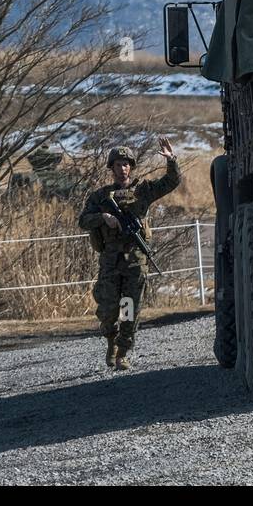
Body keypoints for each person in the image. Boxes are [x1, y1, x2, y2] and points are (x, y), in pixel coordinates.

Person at [78, 138, 181, 370]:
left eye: (126, 164)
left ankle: (122, 353)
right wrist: (104, 218)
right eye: (117, 164)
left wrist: (171, 160)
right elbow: (83, 221)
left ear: (131, 167)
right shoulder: (100, 197)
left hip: (135, 261)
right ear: (112, 168)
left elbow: (171, 182)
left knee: (129, 309)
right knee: (108, 309)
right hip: (110, 262)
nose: (122, 168)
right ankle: (111, 341)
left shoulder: (142, 191)